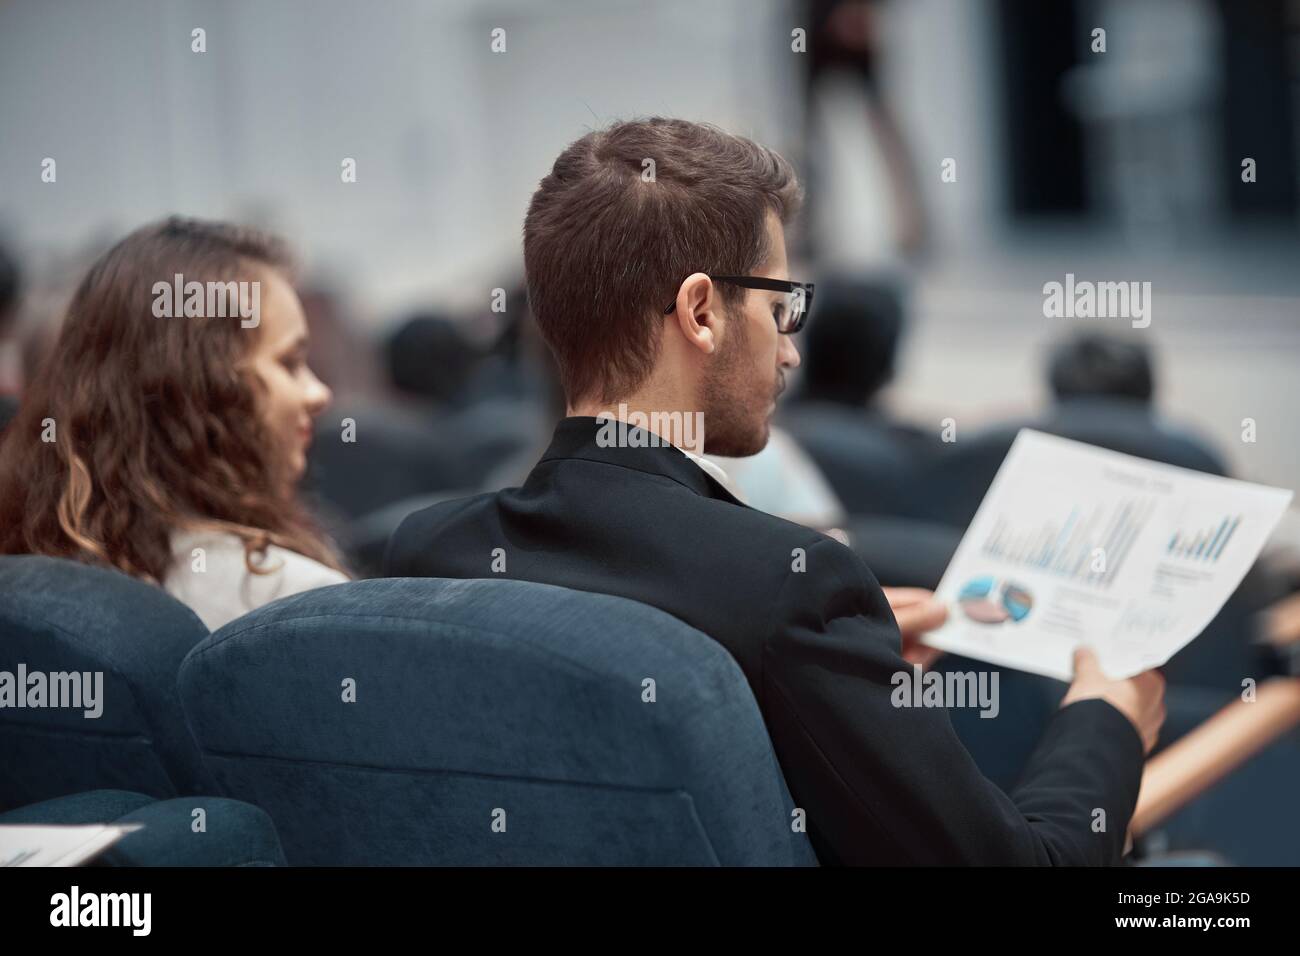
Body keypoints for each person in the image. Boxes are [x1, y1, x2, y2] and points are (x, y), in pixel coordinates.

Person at [385, 117, 1165, 865]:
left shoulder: (428, 555)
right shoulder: (786, 591)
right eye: (778, 306)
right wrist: (1105, 719)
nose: (790, 351)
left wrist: (844, 659)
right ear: (700, 312)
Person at [0, 217, 349, 630]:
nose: (318, 393)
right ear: (203, 389)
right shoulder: (301, 600)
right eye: (289, 363)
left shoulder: (31, 576)